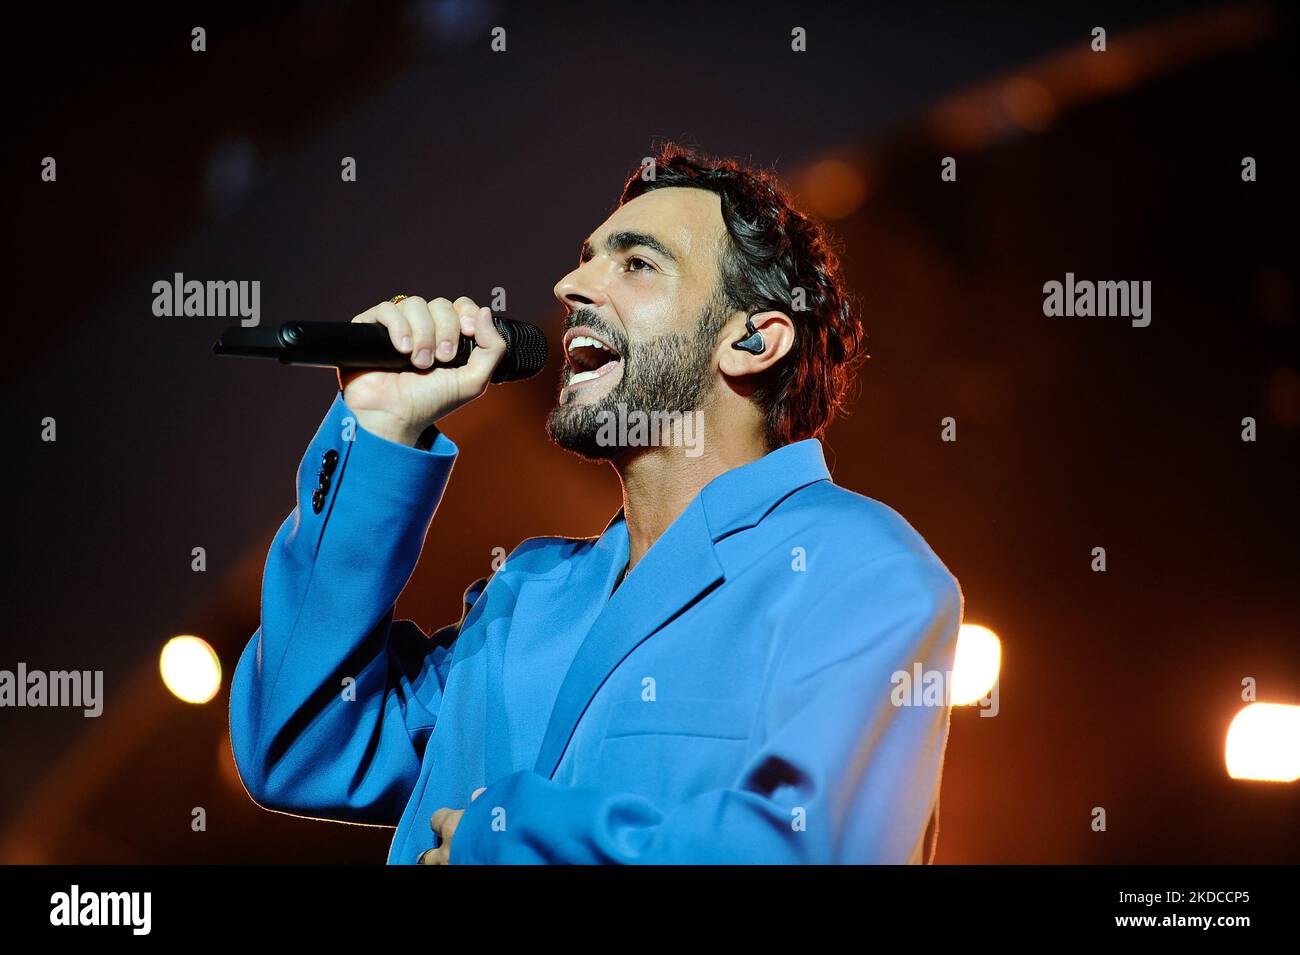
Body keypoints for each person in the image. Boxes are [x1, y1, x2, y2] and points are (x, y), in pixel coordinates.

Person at [229, 144, 963, 864]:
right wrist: (383, 425)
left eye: (636, 263)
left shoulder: (862, 571)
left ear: (752, 339)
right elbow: (299, 746)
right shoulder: (527, 595)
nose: (570, 284)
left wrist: (516, 841)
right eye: (587, 257)